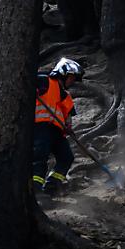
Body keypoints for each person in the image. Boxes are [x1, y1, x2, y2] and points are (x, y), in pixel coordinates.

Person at [33, 57, 83, 196]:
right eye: (72, 77)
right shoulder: (44, 81)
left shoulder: (66, 96)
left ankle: (51, 186)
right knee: (39, 157)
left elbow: (68, 115)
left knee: (67, 157)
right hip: (40, 127)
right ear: (63, 72)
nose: (72, 81)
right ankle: (35, 190)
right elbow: (25, 84)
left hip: (57, 131)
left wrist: (68, 127)